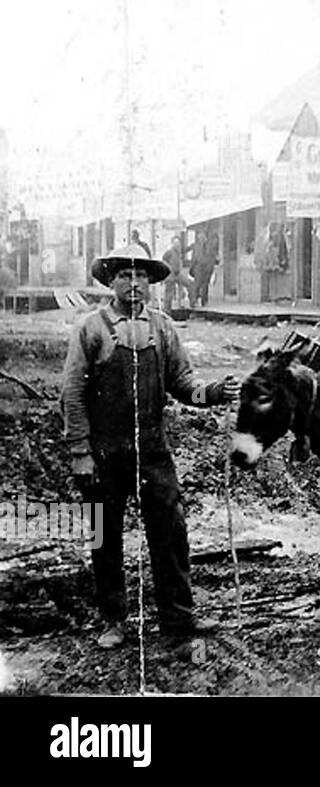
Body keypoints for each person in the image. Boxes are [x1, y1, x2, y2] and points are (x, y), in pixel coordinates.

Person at [62, 244, 240, 648]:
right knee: (104, 535)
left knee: (171, 531)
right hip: (105, 453)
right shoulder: (90, 328)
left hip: (153, 450)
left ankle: (178, 617)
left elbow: (183, 384)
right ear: (111, 282)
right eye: (125, 275)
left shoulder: (162, 328)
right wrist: (80, 452)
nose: (135, 283)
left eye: (141, 276)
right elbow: (72, 394)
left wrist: (212, 392)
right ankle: (113, 620)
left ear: (152, 282)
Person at [188, 231, 219, 308]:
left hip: (206, 268)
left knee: (205, 284)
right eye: (200, 237)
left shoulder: (209, 246)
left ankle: (203, 301)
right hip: (199, 267)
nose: (202, 239)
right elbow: (193, 256)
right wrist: (192, 268)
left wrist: (213, 264)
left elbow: (214, 257)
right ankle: (194, 301)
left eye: (203, 237)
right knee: (197, 284)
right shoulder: (196, 246)